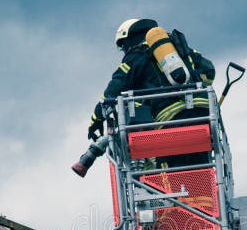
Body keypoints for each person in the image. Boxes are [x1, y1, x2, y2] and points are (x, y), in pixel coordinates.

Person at [87, 18, 216, 143]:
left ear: (128, 40)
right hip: (203, 111)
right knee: (200, 158)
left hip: (170, 116)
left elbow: (115, 86)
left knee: (167, 160)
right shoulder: (180, 47)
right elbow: (209, 71)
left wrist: (96, 119)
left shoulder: (136, 55)